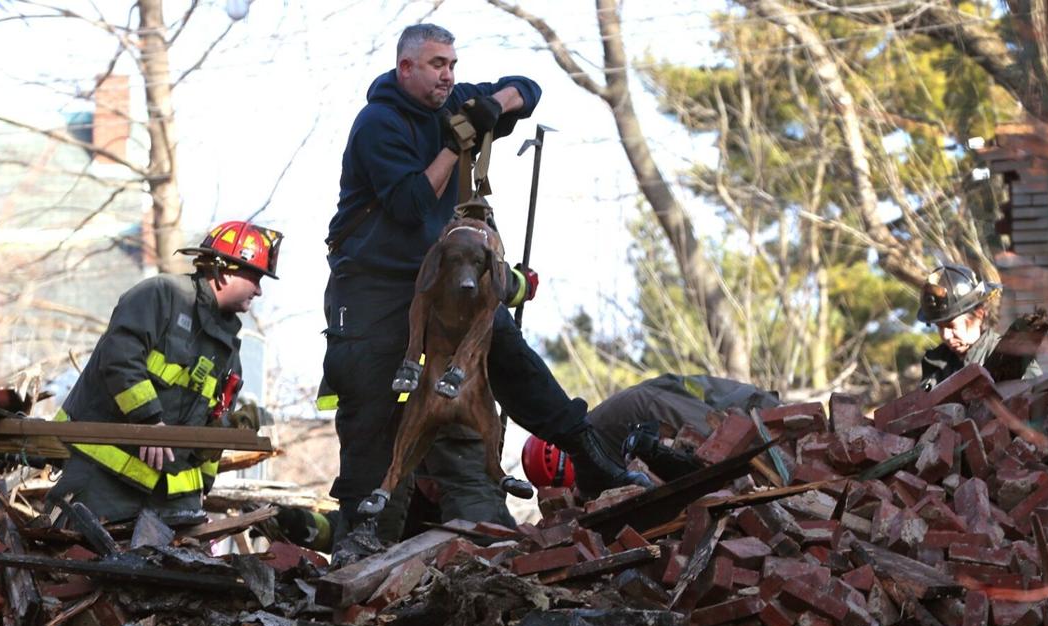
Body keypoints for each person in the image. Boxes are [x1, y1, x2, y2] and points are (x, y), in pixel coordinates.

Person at [322, 23, 647, 560]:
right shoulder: (378, 124)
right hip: (378, 287)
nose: (448, 75)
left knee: (512, 357)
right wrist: (455, 145)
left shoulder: (457, 101)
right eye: (437, 65)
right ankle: (361, 541)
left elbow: (529, 90)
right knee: (375, 407)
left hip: (445, 285)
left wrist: (494, 106)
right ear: (406, 68)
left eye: (453, 64)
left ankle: (592, 456)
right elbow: (411, 205)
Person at [49, 221, 282, 525]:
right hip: (102, 481)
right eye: (255, 278)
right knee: (79, 553)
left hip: (169, 502)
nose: (260, 290)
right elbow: (119, 357)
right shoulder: (162, 296)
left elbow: (210, 430)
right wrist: (149, 422)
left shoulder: (229, 353)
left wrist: (204, 485)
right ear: (225, 271)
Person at [522, 374, 780, 488]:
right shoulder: (605, 439)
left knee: (766, 461)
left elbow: (720, 438)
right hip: (744, 411)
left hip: (760, 416)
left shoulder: (611, 422)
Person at [917, 263, 1042, 390]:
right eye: (940, 327)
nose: (946, 336)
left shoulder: (1010, 356)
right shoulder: (935, 364)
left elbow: (1039, 397)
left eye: (951, 326)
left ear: (979, 315)